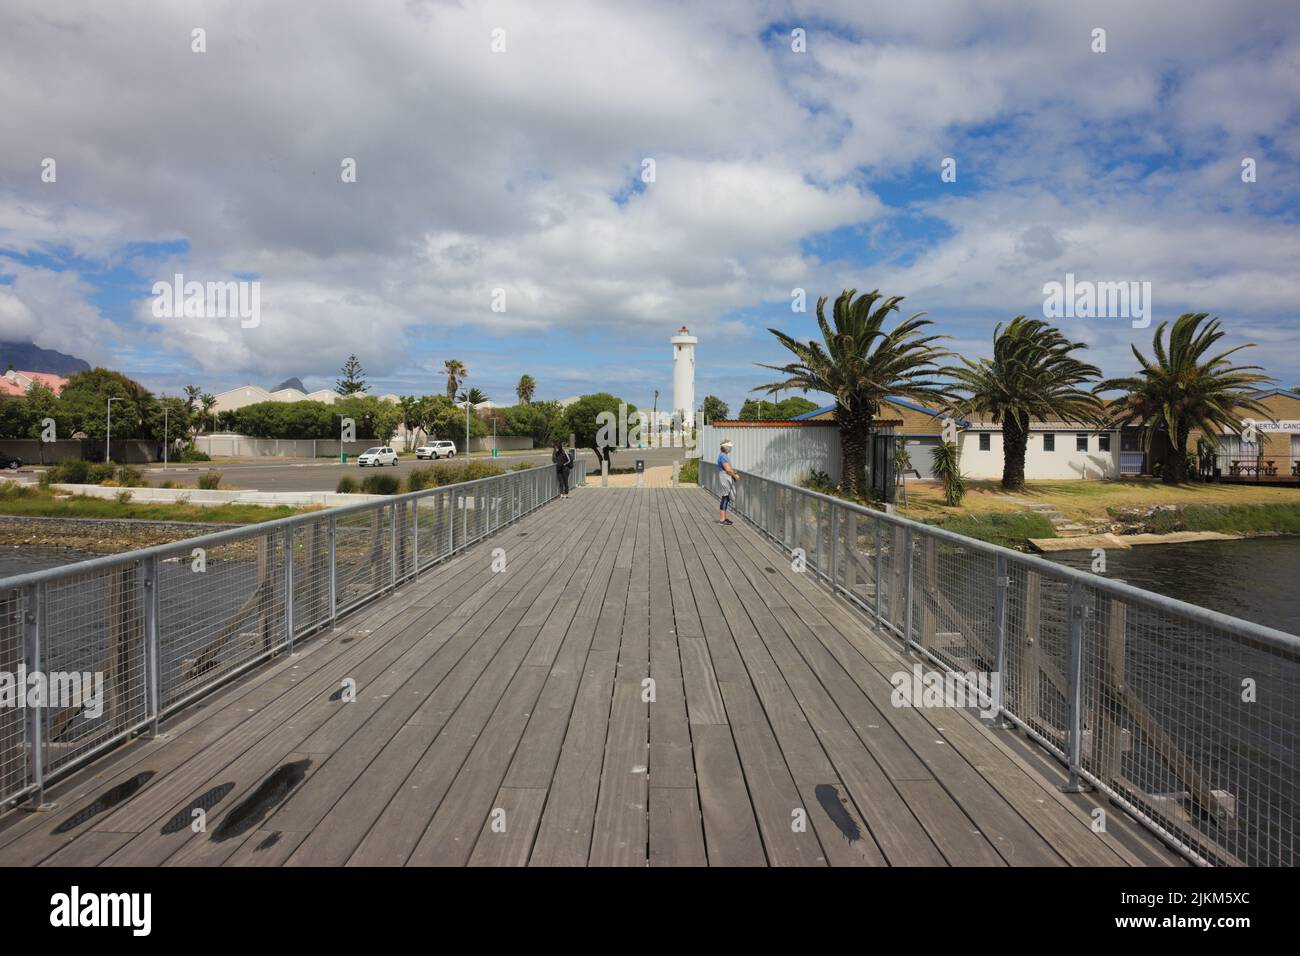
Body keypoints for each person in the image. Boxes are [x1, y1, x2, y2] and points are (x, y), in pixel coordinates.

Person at [717, 439, 740, 525]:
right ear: (726, 448)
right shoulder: (723, 456)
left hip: (725, 476)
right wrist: (735, 475)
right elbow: (727, 469)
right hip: (724, 476)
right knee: (725, 497)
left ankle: (724, 518)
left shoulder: (723, 455)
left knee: (726, 497)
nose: (731, 449)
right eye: (730, 447)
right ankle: (722, 519)